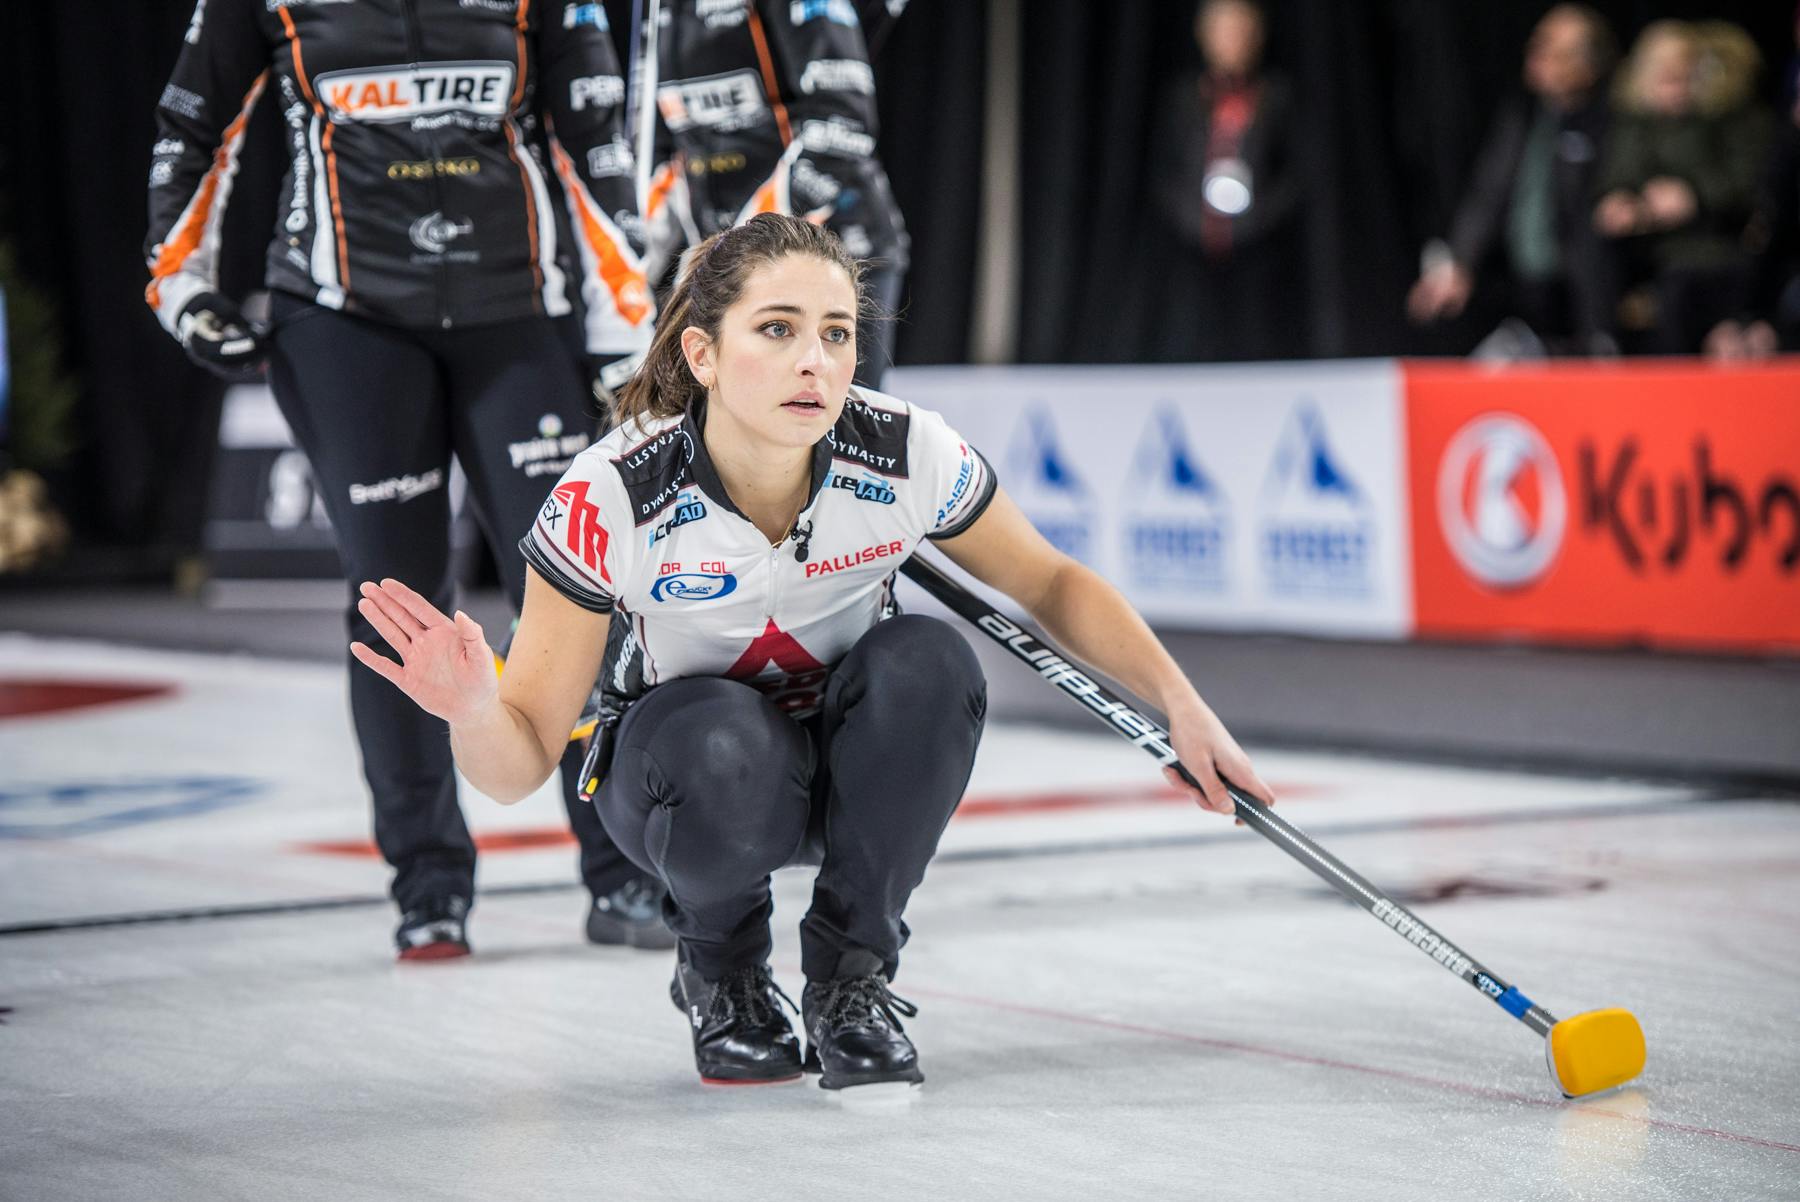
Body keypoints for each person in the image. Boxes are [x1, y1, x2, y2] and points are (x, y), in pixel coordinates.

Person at [350, 213, 1275, 1090]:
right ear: (702, 354)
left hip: (842, 780)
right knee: (719, 731)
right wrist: (474, 707)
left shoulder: (905, 450)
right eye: (779, 329)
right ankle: (724, 973)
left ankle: (850, 981)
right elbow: (517, 770)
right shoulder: (611, 497)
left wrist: (1181, 710)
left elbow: (1049, 582)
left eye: (837, 334)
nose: (815, 362)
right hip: (685, 784)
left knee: (933, 661)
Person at [145, 0, 672, 960]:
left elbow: (596, 140)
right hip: (344, 320)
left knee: (578, 592)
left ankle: (624, 870)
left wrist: (621, 321)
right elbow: (196, 121)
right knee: (396, 602)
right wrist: (183, 286)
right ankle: (428, 882)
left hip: (521, 309)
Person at [639, 0, 909, 385]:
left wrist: (744, 244)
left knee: (833, 433)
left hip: (836, 249)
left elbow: (842, 123)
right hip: (725, 260)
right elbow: (662, 154)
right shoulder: (652, 10)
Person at [1406, 4, 1618, 356]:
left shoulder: (1612, 123)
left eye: (1553, 49)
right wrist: (1458, 262)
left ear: (1588, 67)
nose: (1538, 56)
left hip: (1586, 297)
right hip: (1522, 289)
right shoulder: (1522, 116)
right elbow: (1488, 194)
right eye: (1537, 45)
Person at [1592, 21, 1771, 353]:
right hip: (1650, 253)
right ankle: (1601, 349)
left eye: (1683, 75)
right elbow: (1618, 178)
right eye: (1664, 77)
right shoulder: (1633, 124)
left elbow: (1747, 182)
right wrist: (1622, 201)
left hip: (1714, 248)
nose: (1675, 87)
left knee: (1682, 292)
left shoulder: (1728, 118)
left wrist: (1692, 196)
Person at [1149, 0, 1304, 363]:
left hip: (1257, 249)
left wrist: (1263, 217)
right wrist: (1189, 218)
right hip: (1193, 247)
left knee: (1255, 344)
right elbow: (1164, 169)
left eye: (1241, 31)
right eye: (1225, 32)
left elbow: (1297, 171)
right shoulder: (1184, 99)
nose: (1233, 41)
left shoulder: (1275, 98)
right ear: (1204, 38)